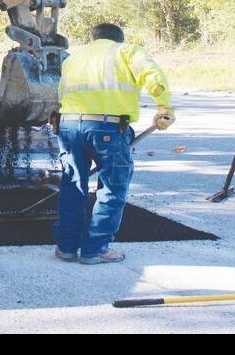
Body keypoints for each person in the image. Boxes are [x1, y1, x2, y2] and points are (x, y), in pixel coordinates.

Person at [53, 23, 175, 264]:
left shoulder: (72, 60)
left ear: (92, 39)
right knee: (112, 187)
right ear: (118, 39)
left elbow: (60, 93)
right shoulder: (126, 51)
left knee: (73, 185)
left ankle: (66, 247)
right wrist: (164, 107)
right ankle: (95, 248)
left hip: (68, 127)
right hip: (107, 129)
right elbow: (154, 76)